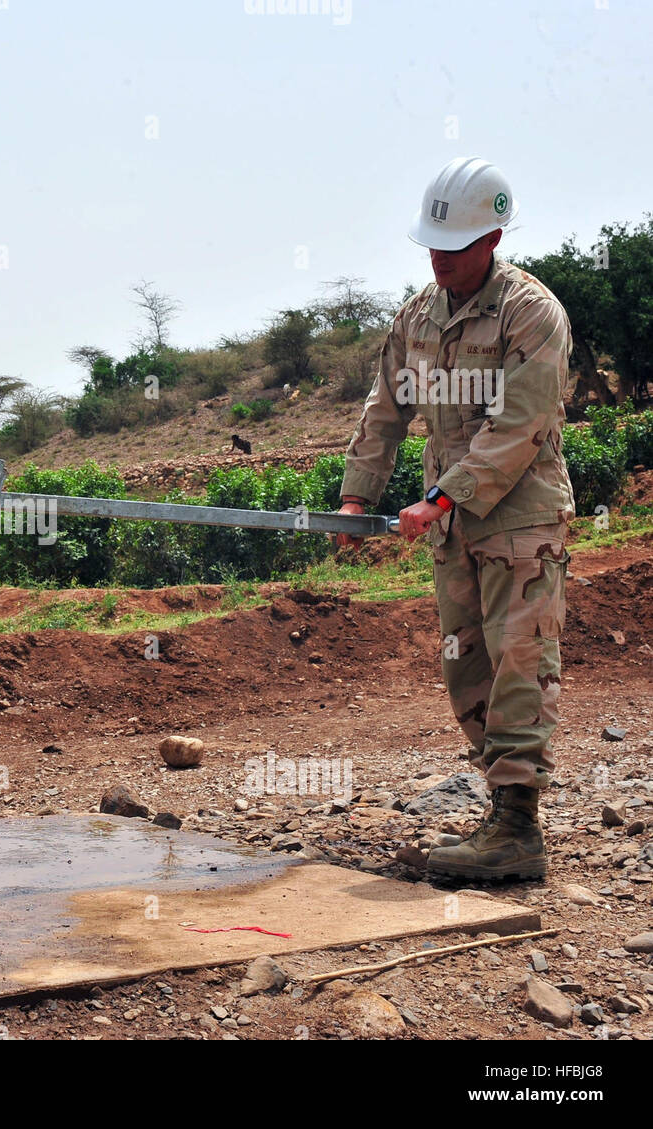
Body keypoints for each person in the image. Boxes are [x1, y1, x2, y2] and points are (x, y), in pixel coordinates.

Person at [335, 157, 574, 882]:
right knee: (465, 665)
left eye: (455, 246)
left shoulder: (532, 313)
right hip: (453, 529)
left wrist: (440, 496)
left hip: (520, 520)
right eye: (432, 246)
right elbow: (386, 410)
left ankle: (517, 826)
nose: (439, 259)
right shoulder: (415, 318)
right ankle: (501, 814)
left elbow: (518, 425)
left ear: (493, 236)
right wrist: (357, 496)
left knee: (519, 661)